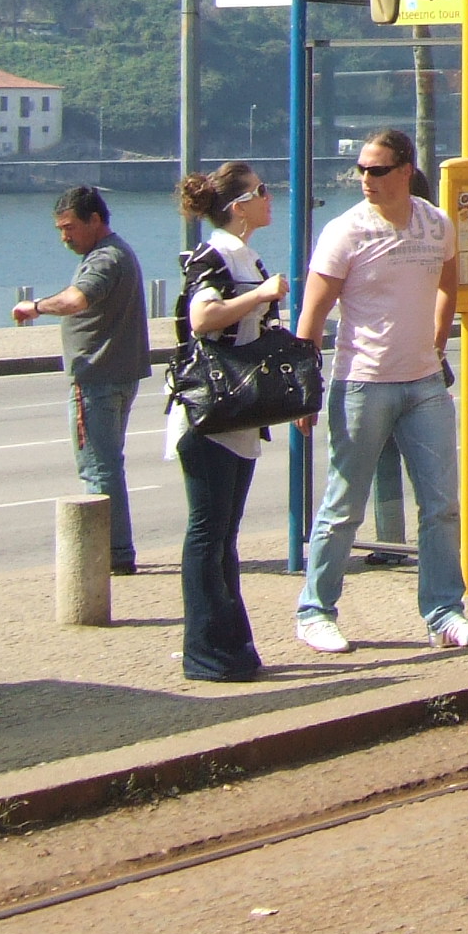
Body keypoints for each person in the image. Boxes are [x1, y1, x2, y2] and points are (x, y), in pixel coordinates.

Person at [289, 129, 468, 653]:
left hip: (423, 383)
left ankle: (444, 613)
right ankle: (315, 612)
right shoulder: (345, 231)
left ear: (404, 171)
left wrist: (437, 341)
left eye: (376, 170)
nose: (365, 179)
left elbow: (449, 283)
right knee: (344, 506)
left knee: (441, 504)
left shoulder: (436, 223)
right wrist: (304, 388)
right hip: (363, 382)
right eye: (361, 169)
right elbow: (312, 313)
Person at [168, 162, 285, 682]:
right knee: (208, 531)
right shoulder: (214, 254)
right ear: (239, 206)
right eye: (262, 191)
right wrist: (260, 296)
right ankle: (204, 652)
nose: (269, 197)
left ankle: (232, 649)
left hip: (237, 413)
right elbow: (203, 318)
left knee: (222, 535)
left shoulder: (244, 255)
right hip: (209, 414)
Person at [13, 185, 150, 575]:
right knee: (108, 466)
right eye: (60, 229)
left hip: (98, 378)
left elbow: (75, 300)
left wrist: (35, 307)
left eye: (69, 227)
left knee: (98, 469)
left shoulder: (106, 258)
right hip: (116, 374)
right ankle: (117, 550)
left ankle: (111, 554)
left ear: (95, 220)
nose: (64, 237)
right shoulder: (114, 253)